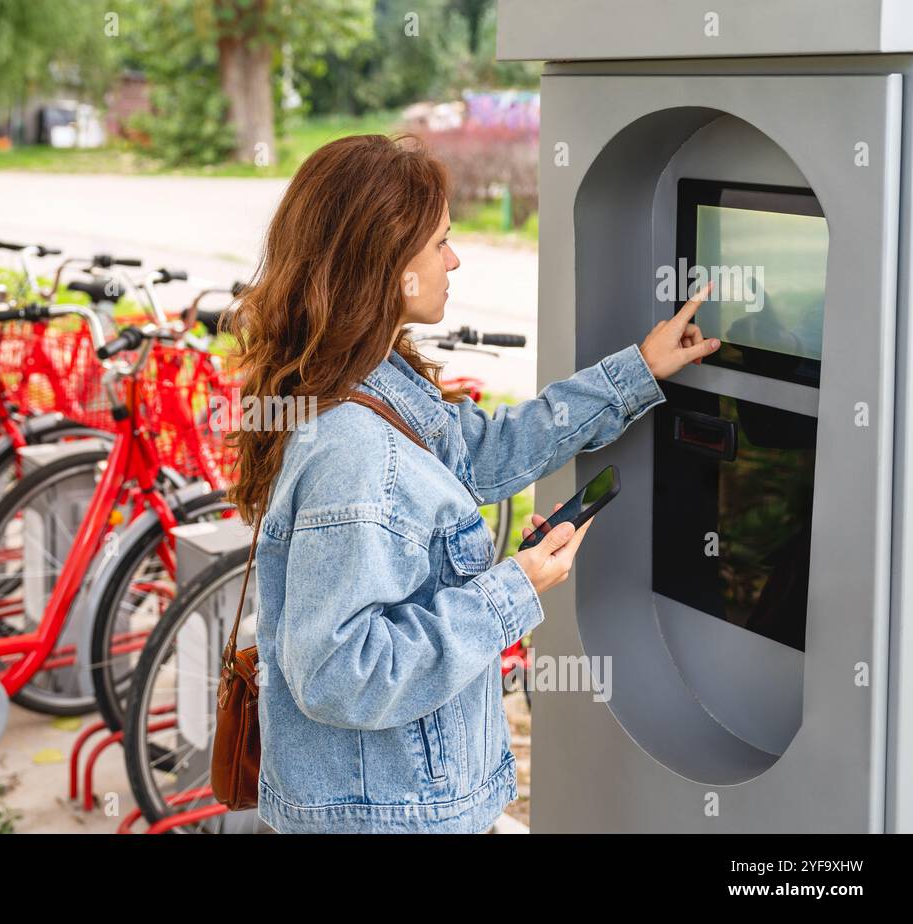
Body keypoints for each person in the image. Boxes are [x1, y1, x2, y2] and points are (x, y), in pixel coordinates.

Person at [225, 133, 719, 833]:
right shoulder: (356, 451)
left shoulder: (370, 379)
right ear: (388, 265)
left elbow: (481, 452)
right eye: (440, 244)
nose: (454, 260)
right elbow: (341, 674)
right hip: (390, 817)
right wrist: (514, 589)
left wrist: (636, 371)